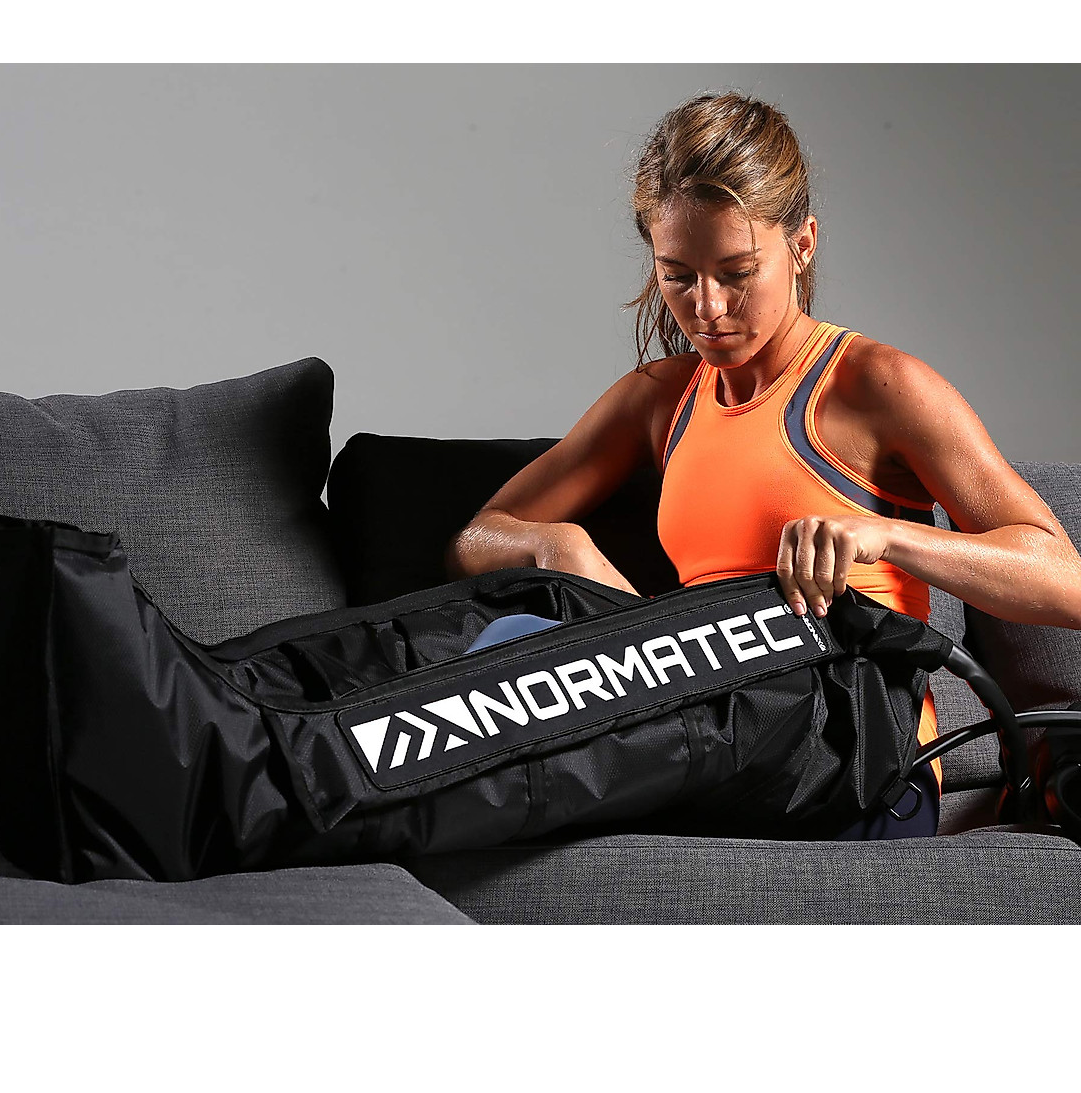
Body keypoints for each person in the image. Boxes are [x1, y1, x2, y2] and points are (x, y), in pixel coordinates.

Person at [445, 91, 1081, 841]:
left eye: (738, 272)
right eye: (678, 276)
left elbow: (1065, 583)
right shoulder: (659, 399)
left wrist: (885, 538)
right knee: (506, 648)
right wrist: (559, 548)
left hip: (852, 755)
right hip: (709, 723)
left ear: (802, 244)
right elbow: (475, 540)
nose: (708, 308)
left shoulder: (875, 386)